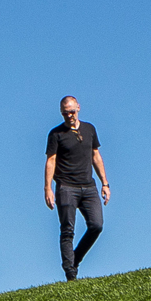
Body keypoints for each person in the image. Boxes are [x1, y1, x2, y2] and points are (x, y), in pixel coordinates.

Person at [43, 95, 110, 279]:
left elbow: (95, 155)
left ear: (78, 108)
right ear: (61, 113)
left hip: (89, 186)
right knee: (67, 229)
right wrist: (47, 188)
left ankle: (75, 258)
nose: (69, 116)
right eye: (65, 113)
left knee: (96, 225)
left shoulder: (89, 129)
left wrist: (105, 183)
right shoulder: (56, 134)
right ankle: (70, 273)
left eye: (72, 112)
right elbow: (51, 161)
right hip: (66, 187)